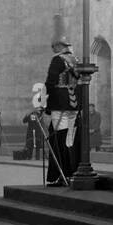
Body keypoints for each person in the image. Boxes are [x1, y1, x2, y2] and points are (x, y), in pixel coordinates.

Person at [44, 37, 79, 185]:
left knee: (59, 140)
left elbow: (50, 82)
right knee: (69, 140)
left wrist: (46, 104)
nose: (52, 49)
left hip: (59, 103)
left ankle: (62, 174)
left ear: (59, 46)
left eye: (53, 46)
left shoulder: (58, 60)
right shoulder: (74, 59)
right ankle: (70, 173)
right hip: (73, 103)